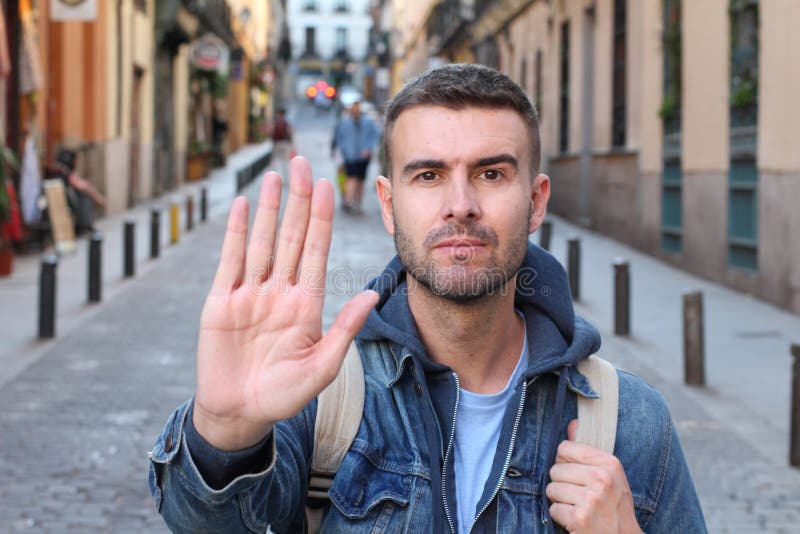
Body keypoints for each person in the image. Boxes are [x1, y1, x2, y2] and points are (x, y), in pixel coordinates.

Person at [149, 64, 706, 533]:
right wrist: (223, 433)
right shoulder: (322, 398)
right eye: (429, 175)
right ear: (389, 205)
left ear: (536, 202)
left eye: (491, 173)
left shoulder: (629, 423)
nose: (460, 204)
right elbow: (205, 521)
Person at [333, 99, 380, 214]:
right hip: (350, 156)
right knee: (352, 178)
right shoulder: (345, 123)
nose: (355, 111)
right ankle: (349, 201)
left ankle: (357, 202)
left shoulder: (368, 122)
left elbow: (374, 136)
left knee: (360, 180)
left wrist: (369, 148)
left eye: (357, 109)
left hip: (364, 157)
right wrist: (342, 151)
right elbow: (339, 138)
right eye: (353, 109)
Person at [51, 148, 106, 235]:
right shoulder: (64, 170)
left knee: (84, 195)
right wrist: (97, 197)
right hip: (63, 200)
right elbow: (81, 185)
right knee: (84, 197)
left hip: (63, 198)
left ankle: (83, 225)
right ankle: (84, 225)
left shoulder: (61, 169)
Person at [269, 106, 295, 180]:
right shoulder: (286, 122)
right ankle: (286, 178)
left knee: (274, 161)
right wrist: (292, 144)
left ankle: (273, 177)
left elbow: (271, 131)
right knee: (285, 161)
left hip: (276, 143)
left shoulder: (275, 122)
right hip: (285, 143)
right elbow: (290, 133)